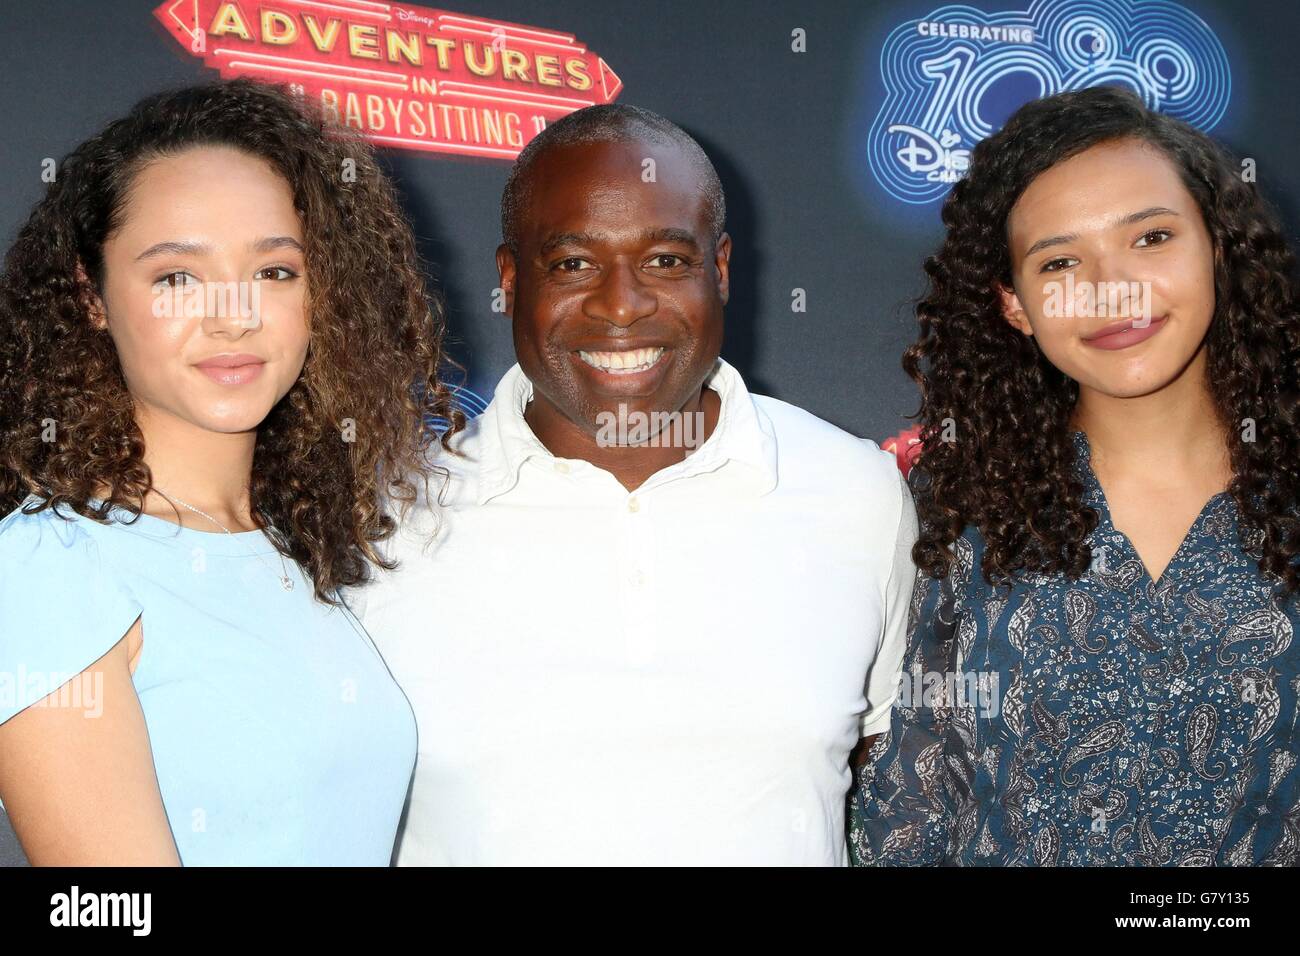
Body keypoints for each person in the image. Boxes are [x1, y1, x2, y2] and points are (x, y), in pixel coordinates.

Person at [350, 103, 918, 865]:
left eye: (665, 261)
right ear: (511, 279)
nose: (621, 305)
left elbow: (883, 775)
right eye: (574, 263)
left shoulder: (857, 494)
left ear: (719, 270)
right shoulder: (386, 516)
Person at [0, 79, 460, 865]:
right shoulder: (48, 568)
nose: (234, 314)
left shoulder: (299, 545)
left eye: (275, 271)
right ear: (93, 297)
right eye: (177, 276)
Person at [851, 85, 1300, 866]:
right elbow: (913, 810)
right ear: (1014, 304)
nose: (1111, 287)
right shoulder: (955, 513)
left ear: (1218, 250)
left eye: (1152, 238)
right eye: (1060, 260)